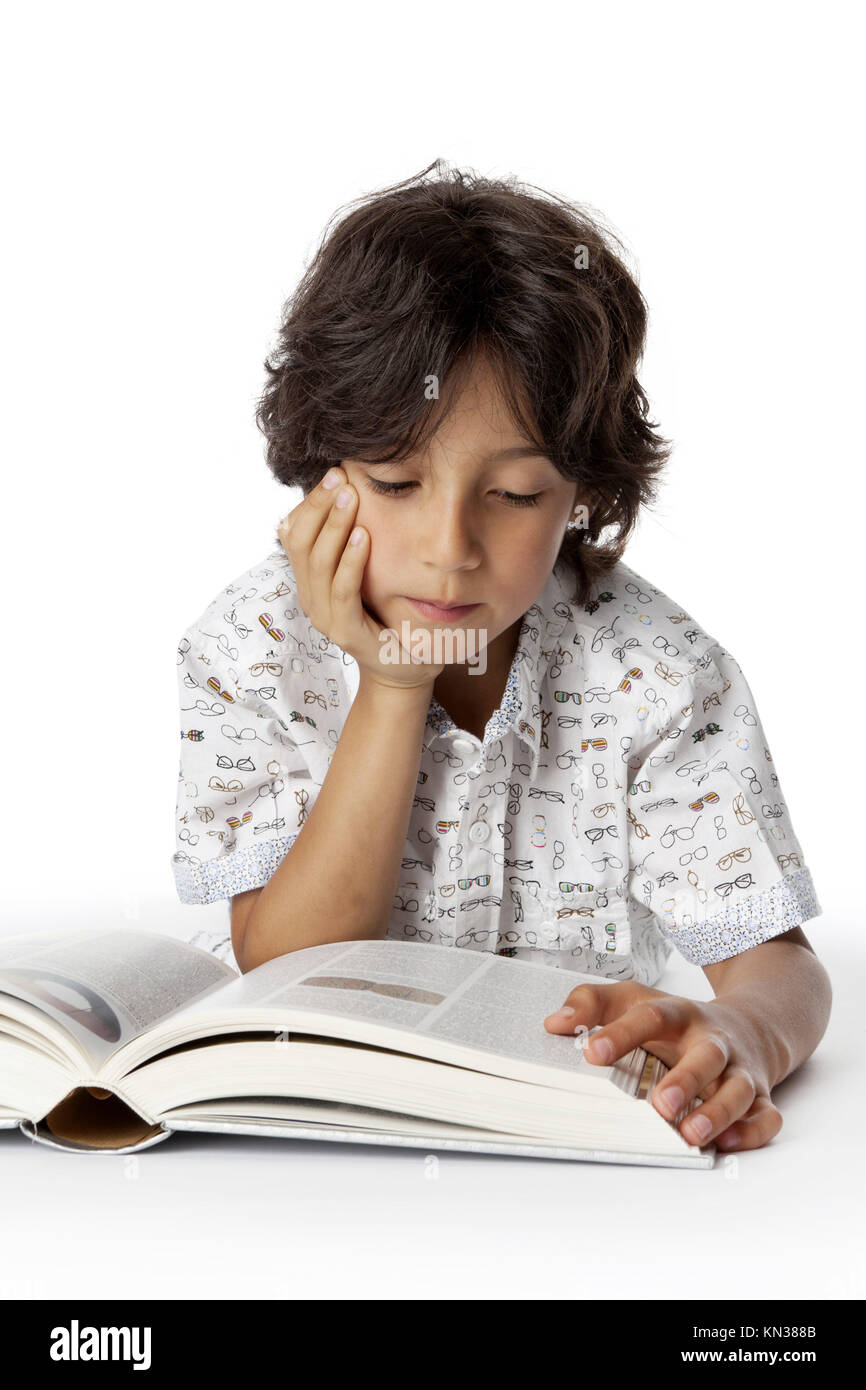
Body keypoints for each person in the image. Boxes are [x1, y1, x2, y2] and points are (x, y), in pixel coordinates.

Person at [171, 161, 831, 1153]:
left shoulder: (658, 674)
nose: (449, 546)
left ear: (582, 495)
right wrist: (394, 683)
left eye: (516, 494)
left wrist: (737, 1031)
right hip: (327, 1160)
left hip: (567, 1150)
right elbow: (288, 971)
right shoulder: (248, 649)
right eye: (394, 481)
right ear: (321, 469)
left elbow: (778, 967)